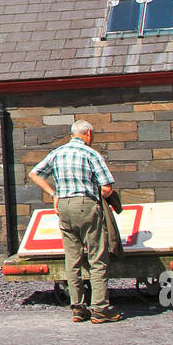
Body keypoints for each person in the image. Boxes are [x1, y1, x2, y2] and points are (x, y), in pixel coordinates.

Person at [28, 120, 121, 324]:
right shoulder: (91, 154)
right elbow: (106, 189)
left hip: (64, 207)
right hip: (86, 205)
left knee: (73, 259)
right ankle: (100, 308)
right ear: (88, 133)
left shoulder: (57, 153)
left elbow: (33, 173)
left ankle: (78, 308)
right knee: (97, 258)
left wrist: (53, 193)